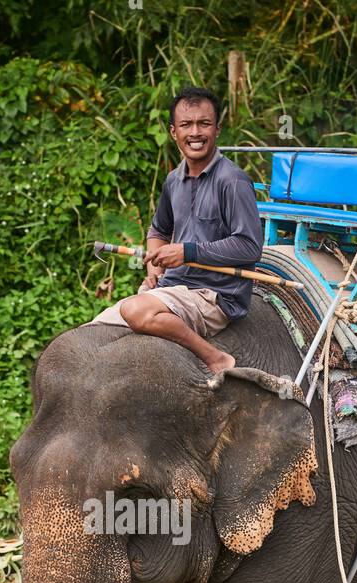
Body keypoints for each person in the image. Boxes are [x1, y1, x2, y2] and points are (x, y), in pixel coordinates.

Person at [91, 85, 263, 374]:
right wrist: (154, 267)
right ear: (174, 132)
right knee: (92, 333)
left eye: (204, 124)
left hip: (213, 295)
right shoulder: (173, 180)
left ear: (217, 129)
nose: (195, 132)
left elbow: (249, 246)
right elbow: (158, 230)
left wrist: (187, 252)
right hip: (173, 287)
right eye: (186, 124)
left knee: (136, 311)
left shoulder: (232, 181)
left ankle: (217, 358)